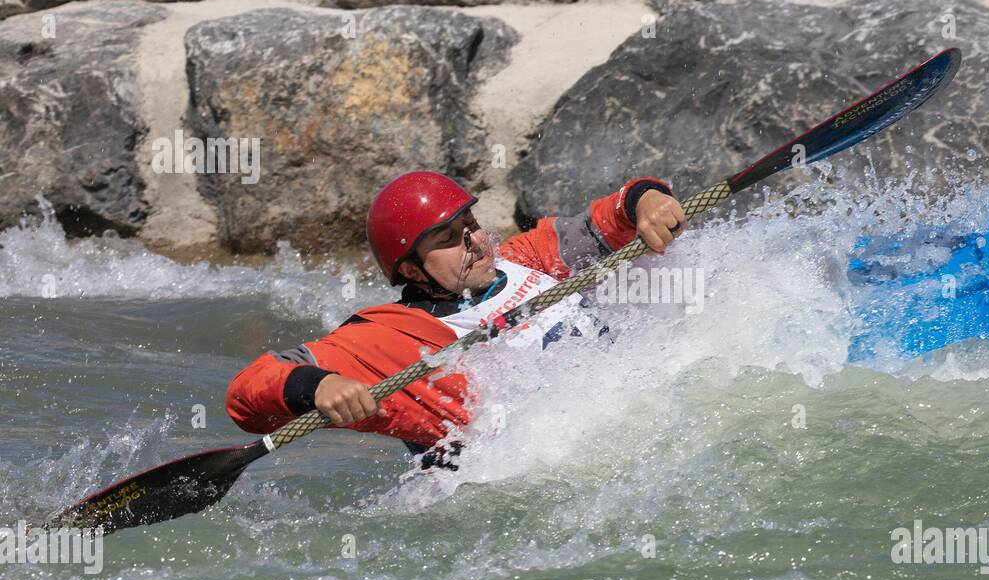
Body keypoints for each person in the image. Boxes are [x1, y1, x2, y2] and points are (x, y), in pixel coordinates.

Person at [225, 170, 687, 469]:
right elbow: (249, 391)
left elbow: (617, 212)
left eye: (471, 224)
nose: (475, 242)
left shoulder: (531, 257)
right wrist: (318, 386)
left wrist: (649, 201)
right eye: (449, 238)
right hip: (509, 482)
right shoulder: (389, 339)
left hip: (637, 426)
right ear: (410, 270)